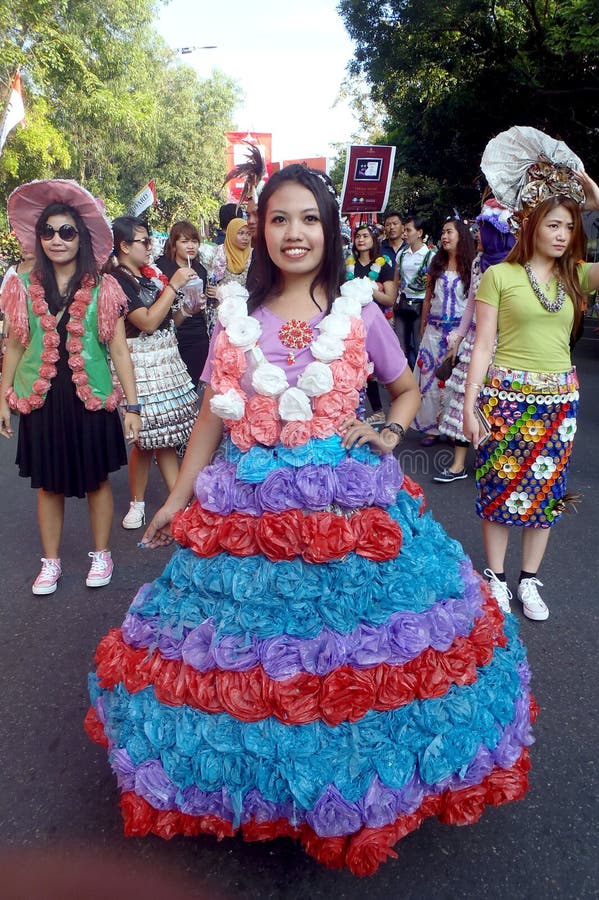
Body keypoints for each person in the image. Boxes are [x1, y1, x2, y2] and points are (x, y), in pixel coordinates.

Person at [85, 164, 538, 876]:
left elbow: (405, 388)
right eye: (278, 219)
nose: (293, 233)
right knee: (246, 657)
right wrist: (177, 499)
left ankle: (345, 793)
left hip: (347, 511)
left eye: (308, 220)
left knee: (352, 660)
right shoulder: (236, 316)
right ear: (259, 231)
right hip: (247, 512)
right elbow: (212, 414)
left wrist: (386, 435)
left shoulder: (358, 311)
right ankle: (266, 797)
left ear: (327, 231)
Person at [463, 171, 599, 621]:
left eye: (568, 226)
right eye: (553, 225)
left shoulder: (577, 276)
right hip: (504, 400)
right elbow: (483, 345)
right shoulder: (498, 276)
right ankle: (497, 578)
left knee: (545, 493)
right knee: (500, 491)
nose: (563, 234)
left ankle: (528, 580)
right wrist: (469, 407)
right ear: (530, 228)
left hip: (558, 405)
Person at [0, 179, 142, 594]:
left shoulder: (103, 287)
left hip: (90, 397)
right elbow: (13, 345)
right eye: (48, 231)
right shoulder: (22, 288)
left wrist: (132, 407)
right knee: (48, 483)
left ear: (81, 238)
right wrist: (2, 398)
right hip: (43, 398)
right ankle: (52, 562)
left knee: (97, 479)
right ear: (38, 238)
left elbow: (118, 349)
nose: (57, 240)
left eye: (66, 232)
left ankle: (102, 554)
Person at [109, 216, 199, 530]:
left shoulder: (151, 274)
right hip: (140, 366)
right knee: (149, 439)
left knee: (161, 438)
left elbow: (168, 319)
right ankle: (157, 502)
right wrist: (173, 286)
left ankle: (161, 502)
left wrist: (187, 307)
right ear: (123, 246)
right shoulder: (115, 281)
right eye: (144, 241)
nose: (150, 246)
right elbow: (146, 321)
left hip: (166, 361)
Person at [434, 201, 516, 481]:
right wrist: (457, 339)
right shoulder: (478, 263)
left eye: (483, 229)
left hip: (504, 344)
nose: (477, 234)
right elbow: (470, 306)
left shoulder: (516, 266)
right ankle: (458, 465)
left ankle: (491, 464)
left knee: (497, 404)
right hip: (474, 342)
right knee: (462, 401)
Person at [413, 216, 474, 446]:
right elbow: (428, 297)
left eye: (449, 232)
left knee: (454, 381)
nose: (444, 237)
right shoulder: (436, 265)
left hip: (459, 333)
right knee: (428, 377)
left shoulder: (472, 267)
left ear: (461, 236)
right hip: (434, 330)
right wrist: (423, 326)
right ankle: (431, 429)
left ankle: (451, 427)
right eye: (443, 233)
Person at [346, 222, 396, 424]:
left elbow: (390, 299)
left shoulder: (382, 266)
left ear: (374, 239)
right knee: (355, 367)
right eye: (358, 236)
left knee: (376, 369)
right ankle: (354, 410)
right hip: (351, 321)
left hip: (375, 323)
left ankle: (382, 409)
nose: (361, 239)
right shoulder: (348, 265)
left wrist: (367, 289)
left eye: (365, 236)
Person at [155, 221, 212, 388]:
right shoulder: (161, 268)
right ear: (173, 245)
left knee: (194, 386)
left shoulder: (200, 269)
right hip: (172, 335)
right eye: (184, 241)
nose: (191, 246)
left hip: (197, 334)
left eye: (194, 241)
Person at [394, 215, 435, 368]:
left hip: (421, 304)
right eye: (404, 230)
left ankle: (419, 382)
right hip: (403, 302)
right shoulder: (402, 254)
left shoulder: (430, 256)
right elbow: (395, 280)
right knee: (400, 347)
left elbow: (432, 285)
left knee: (418, 345)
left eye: (408, 230)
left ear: (419, 233)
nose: (404, 234)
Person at [208, 217, 252, 334]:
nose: (245, 238)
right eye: (241, 233)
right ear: (231, 233)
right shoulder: (219, 254)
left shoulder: (253, 255)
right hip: (222, 314)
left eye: (248, 234)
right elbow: (211, 285)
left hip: (246, 314)